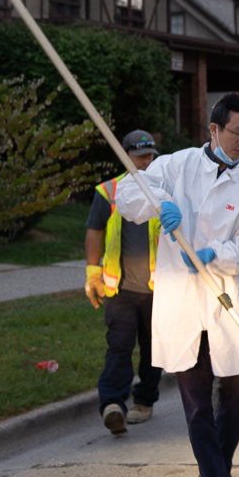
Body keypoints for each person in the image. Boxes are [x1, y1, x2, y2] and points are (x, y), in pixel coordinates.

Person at [112, 93, 239, 477]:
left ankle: (221, 469)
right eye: (236, 132)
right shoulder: (174, 165)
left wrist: (211, 254)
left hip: (229, 298)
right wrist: (157, 202)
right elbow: (128, 193)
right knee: (197, 399)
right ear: (214, 129)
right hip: (183, 301)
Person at [85, 130, 164, 435]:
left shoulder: (162, 188)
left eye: (150, 156)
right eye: (140, 155)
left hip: (158, 287)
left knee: (154, 349)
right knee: (118, 347)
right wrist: (93, 273)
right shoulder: (109, 192)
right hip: (120, 288)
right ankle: (112, 406)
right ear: (125, 155)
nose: (146, 162)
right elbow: (95, 230)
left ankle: (144, 402)